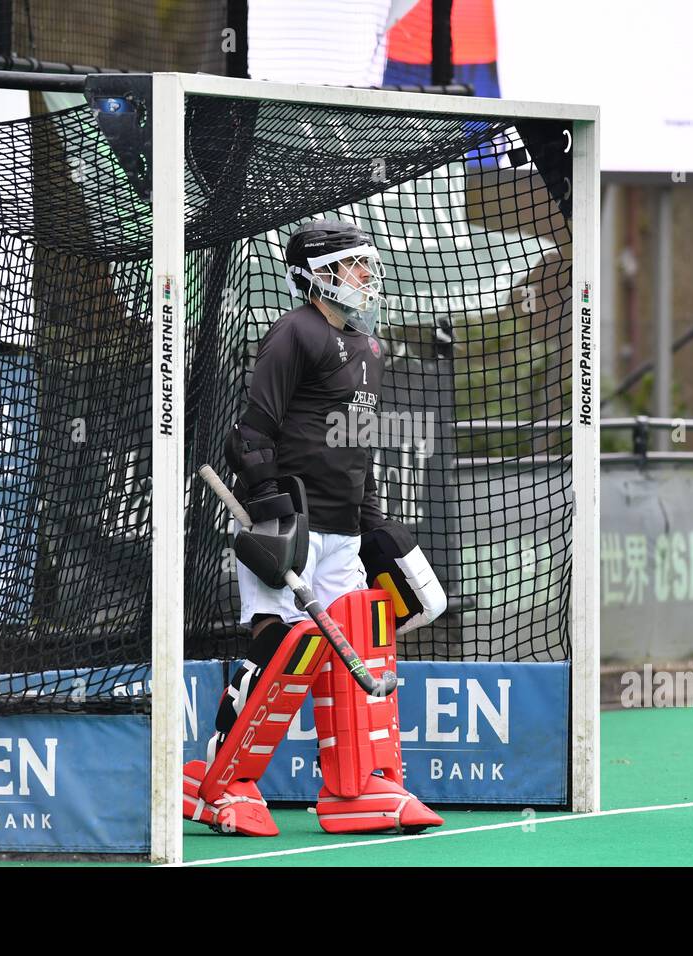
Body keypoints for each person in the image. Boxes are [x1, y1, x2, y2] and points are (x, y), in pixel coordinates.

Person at [182, 219, 445, 836]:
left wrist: (371, 516)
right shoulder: (293, 333)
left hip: (342, 530)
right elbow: (249, 434)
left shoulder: (368, 347)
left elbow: (357, 447)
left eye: (365, 265)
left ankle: (358, 786)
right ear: (319, 274)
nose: (365, 276)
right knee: (281, 650)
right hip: (290, 525)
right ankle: (226, 781)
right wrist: (274, 511)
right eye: (354, 265)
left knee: (361, 640)